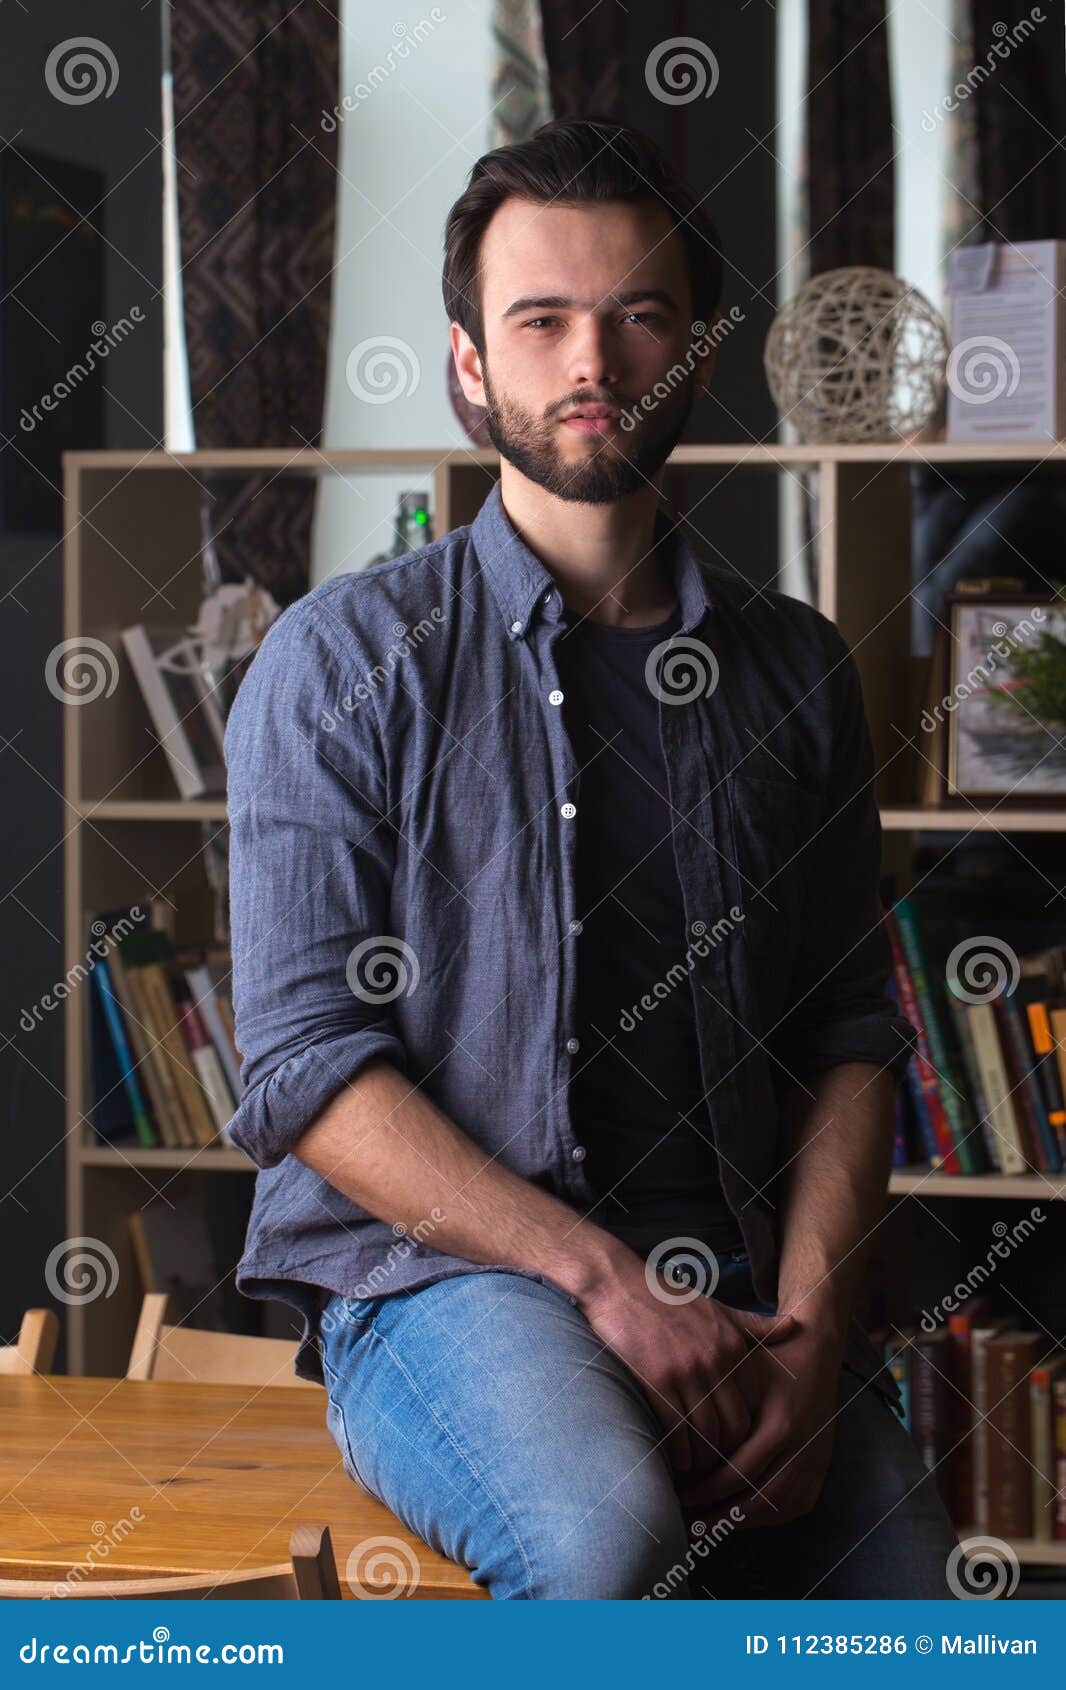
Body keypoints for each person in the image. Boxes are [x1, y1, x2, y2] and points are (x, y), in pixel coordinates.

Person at [222, 117, 957, 1599]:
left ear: (695, 351)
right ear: (468, 363)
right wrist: (604, 1280)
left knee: (922, 1610)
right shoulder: (341, 661)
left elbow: (846, 1033)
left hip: (740, 1287)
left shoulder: (795, 669)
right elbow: (304, 1062)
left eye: (640, 317)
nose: (594, 364)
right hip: (442, 1285)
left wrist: (813, 1334)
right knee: (606, 1544)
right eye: (540, 320)